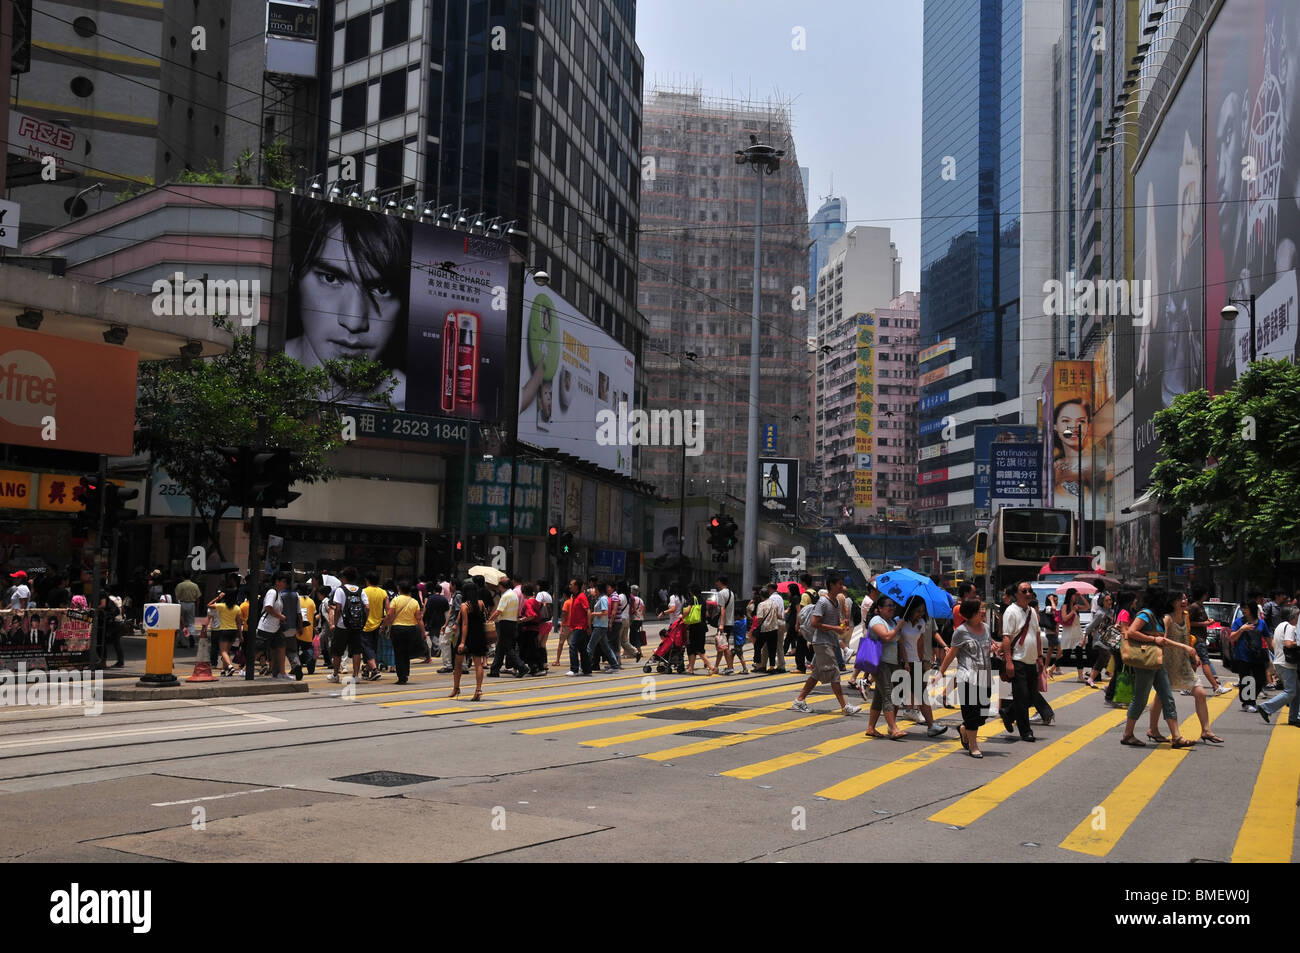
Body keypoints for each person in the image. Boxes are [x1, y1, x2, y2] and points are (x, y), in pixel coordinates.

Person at [286, 197, 410, 408]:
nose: (354, 322)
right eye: (331, 278)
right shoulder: (257, 374)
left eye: (382, 289)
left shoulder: (408, 404)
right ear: (293, 274)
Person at [1119, 588, 1196, 748]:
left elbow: (1163, 641)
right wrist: (1153, 638)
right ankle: (1127, 734)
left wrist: (1185, 648)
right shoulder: (1146, 614)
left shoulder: (1159, 618)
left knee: (1167, 697)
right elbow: (1131, 632)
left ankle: (1176, 736)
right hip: (1146, 662)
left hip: (1157, 662)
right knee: (1140, 699)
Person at [1154, 590, 1222, 743]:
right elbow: (1161, 639)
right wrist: (1184, 648)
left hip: (1183, 662)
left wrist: (1194, 654)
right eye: (1180, 599)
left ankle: (1206, 730)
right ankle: (1153, 729)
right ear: (1172, 602)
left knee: (1201, 693)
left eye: (1185, 598)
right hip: (1168, 662)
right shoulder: (1167, 619)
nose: (1184, 601)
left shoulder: (1186, 616)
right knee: (1160, 697)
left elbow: (1187, 636)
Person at [789, 572, 861, 716]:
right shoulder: (823, 602)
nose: (842, 587)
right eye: (839, 584)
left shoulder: (835, 602)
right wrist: (835, 628)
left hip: (829, 641)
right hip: (822, 642)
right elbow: (815, 623)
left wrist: (841, 624)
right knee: (834, 673)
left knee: (816, 674)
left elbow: (831, 623)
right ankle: (845, 706)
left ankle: (799, 700)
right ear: (831, 585)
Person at [939, 598, 995, 758]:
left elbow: (987, 646)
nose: (984, 611)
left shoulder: (986, 628)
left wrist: (995, 648)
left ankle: (964, 729)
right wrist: (941, 672)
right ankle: (974, 746)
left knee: (982, 713)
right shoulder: (961, 631)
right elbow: (952, 653)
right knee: (971, 713)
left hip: (985, 676)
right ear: (971, 613)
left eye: (983, 608)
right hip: (967, 677)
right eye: (981, 609)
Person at [1002, 581, 1054, 742]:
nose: (1028, 593)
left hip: (1032, 661)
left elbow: (1037, 635)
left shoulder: (1032, 611)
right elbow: (1006, 638)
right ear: (1016, 594)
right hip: (1017, 660)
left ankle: (1009, 713)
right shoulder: (1011, 611)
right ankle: (1026, 731)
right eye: (1024, 591)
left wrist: (1040, 657)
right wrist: (1009, 662)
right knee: (1023, 695)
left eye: (1029, 591)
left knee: (1030, 696)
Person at [895, 597, 948, 736]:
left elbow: (920, 642)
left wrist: (921, 660)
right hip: (901, 663)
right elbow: (899, 644)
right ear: (910, 609)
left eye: (922, 612)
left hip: (916, 662)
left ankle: (931, 725)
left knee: (922, 694)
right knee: (897, 695)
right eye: (918, 611)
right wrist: (905, 662)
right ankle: (892, 726)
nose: (920, 614)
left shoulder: (922, 622)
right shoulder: (899, 622)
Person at [862, 595, 907, 738]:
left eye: (893, 605)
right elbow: (886, 637)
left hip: (892, 662)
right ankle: (893, 728)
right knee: (888, 694)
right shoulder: (877, 620)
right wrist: (899, 626)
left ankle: (871, 728)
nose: (892, 608)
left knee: (880, 696)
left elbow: (899, 642)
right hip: (879, 662)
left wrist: (905, 662)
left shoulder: (892, 621)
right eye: (888, 605)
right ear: (879, 609)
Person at [1257, 605, 1299, 726]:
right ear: (1293, 616)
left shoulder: (1281, 626)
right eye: (1298, 615)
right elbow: (1289, 644)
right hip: (1286, 664)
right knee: (1290, 691)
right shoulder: (1290, 627)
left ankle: (1293, 718)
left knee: (1297, 691)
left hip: (1280, 661)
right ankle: (1266, 707)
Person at [327, 568, 369, 684]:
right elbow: (367, 607)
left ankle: (335, 674)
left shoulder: (340, 590)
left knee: (337, 651)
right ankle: (355, 675)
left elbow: (338, 608)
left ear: (344, 578)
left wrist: (335, 623)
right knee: (356, 651)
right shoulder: (361, 591)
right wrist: (363, 621)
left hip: (342, 625)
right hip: (357, 626)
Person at [1228, 600, 1269, 712]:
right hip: (1243, 656)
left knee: (1261, 680)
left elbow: (1268, 638)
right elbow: (1232, 638)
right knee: (1246, 679)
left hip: (1257, 656)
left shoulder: (1261, 623)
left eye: (1245, 608)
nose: (1243, 610)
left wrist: (1276, 652)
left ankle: (1251, 700)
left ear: (1252, 609)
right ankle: (1248, 703)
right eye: (1242, 608)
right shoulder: (1238, 622)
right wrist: (1242, 629)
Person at [382, 580, 426, 685]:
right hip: (411, 630)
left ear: (399, 589)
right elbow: (419, 619)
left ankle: (401, 676)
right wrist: (423, 632)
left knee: (398, 653)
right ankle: (405, 673)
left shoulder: (395, 600)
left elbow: (389, 615)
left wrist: (383, 626)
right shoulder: (414, 602)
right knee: (406, 653)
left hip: (397, 629)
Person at [452, 580, 489, 701]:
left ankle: (456, 688)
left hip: (467, 636)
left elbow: (465, 625)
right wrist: (457, 621)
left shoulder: (464, 606)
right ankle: (478, 690)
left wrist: (462, 642)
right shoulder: (481, 603)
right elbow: (485, 616)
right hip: (479, 635)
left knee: (458, 663)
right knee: (478, 664)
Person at [488, 573, 528, 678]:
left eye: (499, 586)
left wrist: (489, 620)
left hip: (505, 623)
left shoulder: (506, 596)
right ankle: (494, 670)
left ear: (502, 586)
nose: (498, 588)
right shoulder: (513, 594)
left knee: (508, 648)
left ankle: (522, 667)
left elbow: (498, 611)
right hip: (512, 623)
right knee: (501, 647)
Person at [256, 572, 290, 681]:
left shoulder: (279, 594)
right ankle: (246, 668)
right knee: (259, 650)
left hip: (275, 628)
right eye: (283, 581)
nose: (285, 584)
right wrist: (280, 616)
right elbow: (268, 608)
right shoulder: (272, 592)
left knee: (281, 647)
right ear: (277, 582)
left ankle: (282, 673)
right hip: (266, 627)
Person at [1083, 591, 1115, 688]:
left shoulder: (1112, 612)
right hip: (1100, 641)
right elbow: (1090, 626)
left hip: (1109, 641)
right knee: (1109, 659)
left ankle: (1091, 679)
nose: (1109, 602)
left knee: (1101, 661)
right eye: (1106, 600)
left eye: (1110, 600)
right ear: (1102, 601)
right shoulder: (1100, 613)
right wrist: (1084, 637)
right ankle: (1112, 685)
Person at [360, 572, 388, 681]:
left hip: (364, 624)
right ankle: (366, 670)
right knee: (372, 649)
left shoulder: (363, 591)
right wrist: (383, 625)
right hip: (377, 624)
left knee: (367, 648)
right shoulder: (383, 592)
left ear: (367, 581)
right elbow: (388, 610)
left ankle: (375, 670)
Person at [754, 583, 786, 674]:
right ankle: (772, 667)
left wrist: (758, 626)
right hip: (774, 628)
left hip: (765, 629)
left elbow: (759, 618)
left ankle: (759, 665)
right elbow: (780, 615)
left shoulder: (761, 604)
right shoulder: (775, 603)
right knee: (772, 648)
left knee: (758, 646)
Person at [564, 577, 593, 676]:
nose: (570, 586)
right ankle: (587, 669)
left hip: (581, 627)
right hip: (576, 626)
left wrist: (589, 626)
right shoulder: (574, 596)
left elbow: (588, 611)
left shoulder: (581, 596)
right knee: (582, 649)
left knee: (573, 645)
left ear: (576, 586)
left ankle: (574, 669)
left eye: (571, 585)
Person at [1058, 588, 1087, 681]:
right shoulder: (1065, 606)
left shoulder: (1077, 606)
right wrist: (1072, 611)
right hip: (1068, 635)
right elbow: (1064, 618)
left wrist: (1081, 596)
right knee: (1066, 656)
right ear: (1070, 596)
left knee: (1079, 655)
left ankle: (1080, 677)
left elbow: (1088, 607)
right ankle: (1053, 668)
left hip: (1077, 634)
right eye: (1075, 595)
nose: (1076, 597)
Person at [683, 586, 714, 675]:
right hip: (702, 627)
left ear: (691, 591)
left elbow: (687, 611)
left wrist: (683, 616)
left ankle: (711, 667)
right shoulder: (703, 600)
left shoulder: (692, 599)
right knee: (693, 649)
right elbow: (707, 614)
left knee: (698, 650)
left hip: (694, 627)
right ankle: (691, 669)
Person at [517, 583, 546, 677]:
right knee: (532, 648)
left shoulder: (528, 602)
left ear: (523, 592)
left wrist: (521, 620)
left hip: (529, 628)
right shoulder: (535, 601)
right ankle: (536, 667)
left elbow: (531, 615)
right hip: (535, 628)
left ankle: (536, 668)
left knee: (530, 649)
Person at [712, 575, 737, 675]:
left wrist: (721, 624)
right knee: (722, 645)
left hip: (724, 623)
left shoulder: (721, 593)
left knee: (724, 646)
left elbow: (722, 609)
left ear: (720, 582)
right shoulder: (731, 593)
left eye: (717, 582)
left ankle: (730, 668)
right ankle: (717, 667)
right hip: (730, 622)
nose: (716, 584)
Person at [175, 570, 200, 650]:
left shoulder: (180, 585)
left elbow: (176, 597)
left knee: (182, 624)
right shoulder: (195, 585)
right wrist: (197, 607)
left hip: (182, 604)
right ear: (190, 576)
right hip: (191, 604)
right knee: (190, 622)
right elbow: (198, 598)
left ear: (182, 576)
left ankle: (184, 642)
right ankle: (191, 635)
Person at [535, 579, 554, 665]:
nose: (537, 586)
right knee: (543, 644)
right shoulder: (549, 595)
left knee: (537, 643)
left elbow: (536, 606)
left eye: (538, 585)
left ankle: (538, 663)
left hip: (542, 622)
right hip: (549, 622)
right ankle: (544, 663)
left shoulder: (540, 594)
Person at [1042, 593, 1061, 677]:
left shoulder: (1054, 608)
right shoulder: (1048, 608)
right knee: (1060, 650)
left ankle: (1045, 667)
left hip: (1053, 633)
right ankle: (1055, 668)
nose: (1056, 602)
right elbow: (1053, 608)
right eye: (1054, 600)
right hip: (1050, 633)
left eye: (1056, 600)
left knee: (1050, 650)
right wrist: (1051, 600)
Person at [629, 585, 646, 661]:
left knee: (634, 637)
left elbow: (632, 610)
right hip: (640, 619)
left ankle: (638, 652)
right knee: (634, 635)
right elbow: (643, 610)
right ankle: (634, 652)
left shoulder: (633, 599)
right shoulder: (640, 600)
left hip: (634, 619)